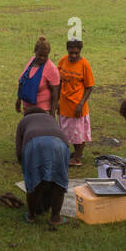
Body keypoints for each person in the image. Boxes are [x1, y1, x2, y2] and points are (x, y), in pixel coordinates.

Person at [16, 100, 71, 225]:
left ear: (27, 115)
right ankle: (55, 218)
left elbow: (19, 151)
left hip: (34, 143)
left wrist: (26, 169)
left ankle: (31, 215)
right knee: (58, 182)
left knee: (34, 181)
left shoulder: (23, 121)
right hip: (60, 144)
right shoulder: (51, 119)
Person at [57, 39, 94, 167]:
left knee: (79, 133)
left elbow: (89, 87)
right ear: (67, 50)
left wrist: (81, 104)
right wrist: (56, 101)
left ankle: (77, 158)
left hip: (77, 106)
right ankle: (77, 152)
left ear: (80, 51)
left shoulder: (84, 65)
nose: (73, 56)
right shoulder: (62, 61)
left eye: (76, 53)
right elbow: (59, 82)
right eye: (71, 53)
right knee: (67, 132)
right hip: (64, 104)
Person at [15, 36, 61, 114]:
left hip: (42, 111)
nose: (42, 58)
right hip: (28, 109)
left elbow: (55, 92)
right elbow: (23, 81)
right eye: (40, 55)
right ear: (35, 51)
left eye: (45, 56)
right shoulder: (31, 61)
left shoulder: (51, 69)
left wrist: (52, 114)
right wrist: (19, 99)